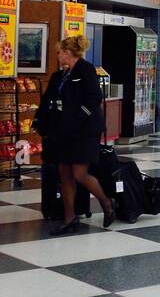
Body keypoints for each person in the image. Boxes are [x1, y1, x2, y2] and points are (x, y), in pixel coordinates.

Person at [36, 35, 116, 236]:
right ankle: (69, 217)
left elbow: (94, 99)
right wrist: (41, 121)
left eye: (59, 52)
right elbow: (48, 101)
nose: (57, 55)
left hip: (85, 131)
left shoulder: (86, 70)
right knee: (64, 173)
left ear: (68, 53)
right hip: (64, 132)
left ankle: (106, 203)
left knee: (79, 173)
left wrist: (78, 118)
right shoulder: (60, 76)